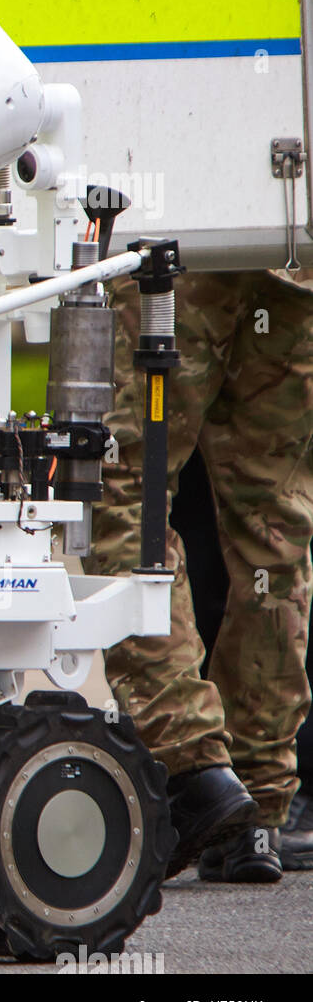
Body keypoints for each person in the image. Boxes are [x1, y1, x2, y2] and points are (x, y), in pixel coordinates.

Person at [85, 268, 313, 881]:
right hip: (287, 242)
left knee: (126, 485)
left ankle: (192, 765)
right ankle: (260, 803)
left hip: (180, 251)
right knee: (274, 521)